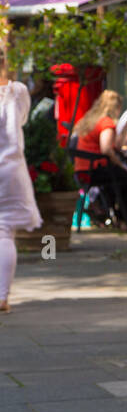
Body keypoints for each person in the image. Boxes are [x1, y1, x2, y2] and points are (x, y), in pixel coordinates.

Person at [0, 50, 37, 313]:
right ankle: (2, 296)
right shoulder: (18, 91)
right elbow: (23, 119)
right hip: (11, 169)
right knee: (5, 232)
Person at [70, 90, 127, 231]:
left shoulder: (89, 119)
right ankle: (124, 219)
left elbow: (116, 146)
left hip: (82, 168)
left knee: (120, 180)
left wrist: (125, 127)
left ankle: (111, 215)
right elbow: (106, 149)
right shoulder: (106, 122)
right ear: (115, 107)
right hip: (95, 169)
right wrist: (121, 165)